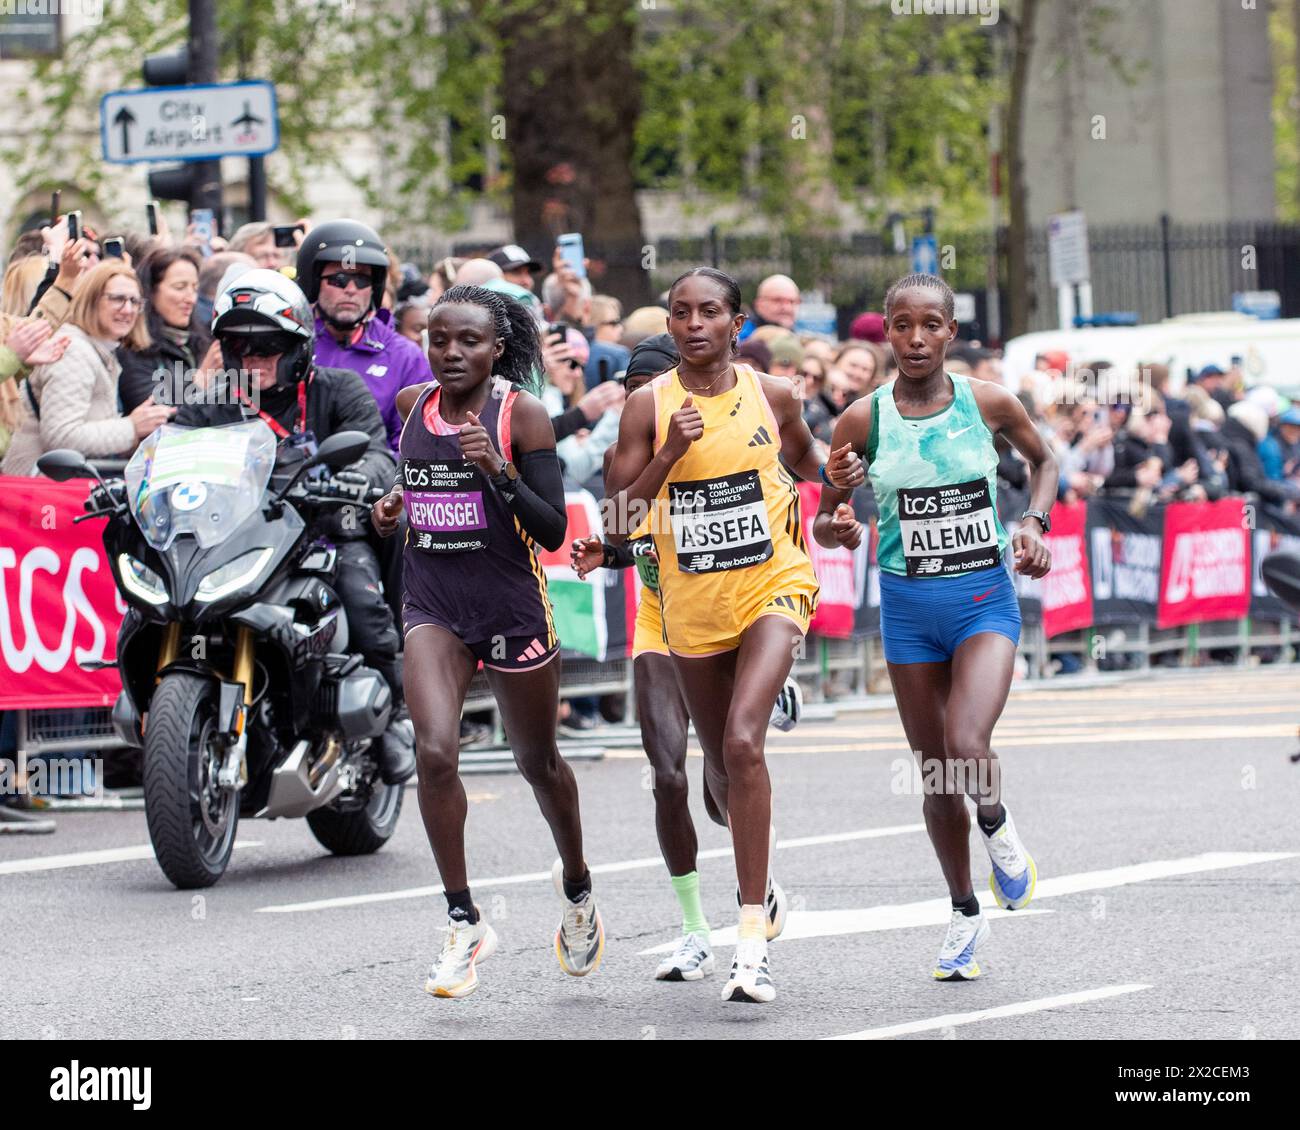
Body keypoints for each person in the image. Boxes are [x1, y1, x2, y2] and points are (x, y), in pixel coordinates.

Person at [604, 267, 837, 1004]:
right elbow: (617, 521)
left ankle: (748, 944)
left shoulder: (773, 395)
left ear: (736, 323)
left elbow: (809, 462)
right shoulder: (647, 407)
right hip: (689, 610)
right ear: (669, 325)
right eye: (681, 313)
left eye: (710, 312)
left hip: (773, 586)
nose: (695, 324)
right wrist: (669, 453)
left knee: (742, 742)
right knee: (715, 776)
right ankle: (751, 901)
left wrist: (845, 475)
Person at [814, 272, 1055, 982]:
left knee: (965, 742)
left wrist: (1034, 523)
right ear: (886, 331)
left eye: (930, 326)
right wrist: (842, 523)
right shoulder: (863, 419)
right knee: (935, 775)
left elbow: (1044, 462)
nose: (915, 339)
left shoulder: (990, 403)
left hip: (984, 598)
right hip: (909, 607)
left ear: (951, 332)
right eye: (901, 326)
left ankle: (997, 822)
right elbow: (828, 519)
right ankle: (962, 910)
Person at [373, 284, 606, 999]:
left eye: (468, 341)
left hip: (510, 608)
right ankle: (463, 919)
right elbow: (417, 490)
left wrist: (499, 470)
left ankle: (576, 886)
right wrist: (393, 509)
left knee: (538, 762)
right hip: (434, 604)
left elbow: (553, 532)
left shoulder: (522, 414)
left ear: (496, 349)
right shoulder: (413, 408)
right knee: (434, 751)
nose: (450, 353)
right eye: (439, 340)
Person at [569, 332, 804, 982]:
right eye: (636, 392)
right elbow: (628, 521)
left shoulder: (730, 429)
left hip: (722, 613)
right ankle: (696, 929)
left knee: (721, 783)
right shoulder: (639, 438)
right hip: (659, 621)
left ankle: (757, 872)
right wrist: (609, 551)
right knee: (667, 774)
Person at [174, 269, 415, 787]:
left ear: (299, 346)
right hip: (234, 542)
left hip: (321, 536)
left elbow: (377, 451)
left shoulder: (338, 388)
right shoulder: (210, 403)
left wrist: (357, 477)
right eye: (240, 345)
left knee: (364, 601)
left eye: (270, 345)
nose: (254, 358)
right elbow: (169, 452)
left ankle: (394, 718)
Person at [3, 261, 175, 476]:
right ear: (91, 300)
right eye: (117, 299)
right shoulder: (73, 351)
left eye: (134, 301)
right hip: (37, 493)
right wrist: (131, 427)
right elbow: (60, 437)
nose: (128, 309)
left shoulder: (99, 348)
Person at [295, 219, 434, 453]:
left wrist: (376, 473)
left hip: (377, 484)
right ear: (312, 281)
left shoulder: (405, 357)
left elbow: (417, 442)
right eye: (338, 279)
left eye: (361, 280)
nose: (351, 289)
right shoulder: (292, 345)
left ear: (375, 287)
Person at [117, 246, 216, 413]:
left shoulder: (201, 340)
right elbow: (154, 417)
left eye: (194, 288)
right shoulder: (132, 347)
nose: (191, 298)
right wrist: (202, 378)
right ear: (150, 291)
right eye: (180, 287)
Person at [736, 274, 800, 342]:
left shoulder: (803, 338)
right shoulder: (740, 338)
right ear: (759, 304)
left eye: (792, 302)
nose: (786, 307)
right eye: (778, 300)